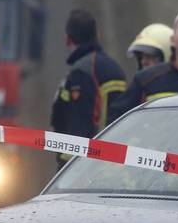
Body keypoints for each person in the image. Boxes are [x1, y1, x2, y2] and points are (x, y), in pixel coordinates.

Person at [49, 9, 127, 166]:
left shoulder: (82, 71)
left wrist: (68, 168)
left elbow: (80, 125)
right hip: (112, 159)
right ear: (97, 36)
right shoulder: (115, 68)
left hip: (83, 167)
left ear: (68, 40)